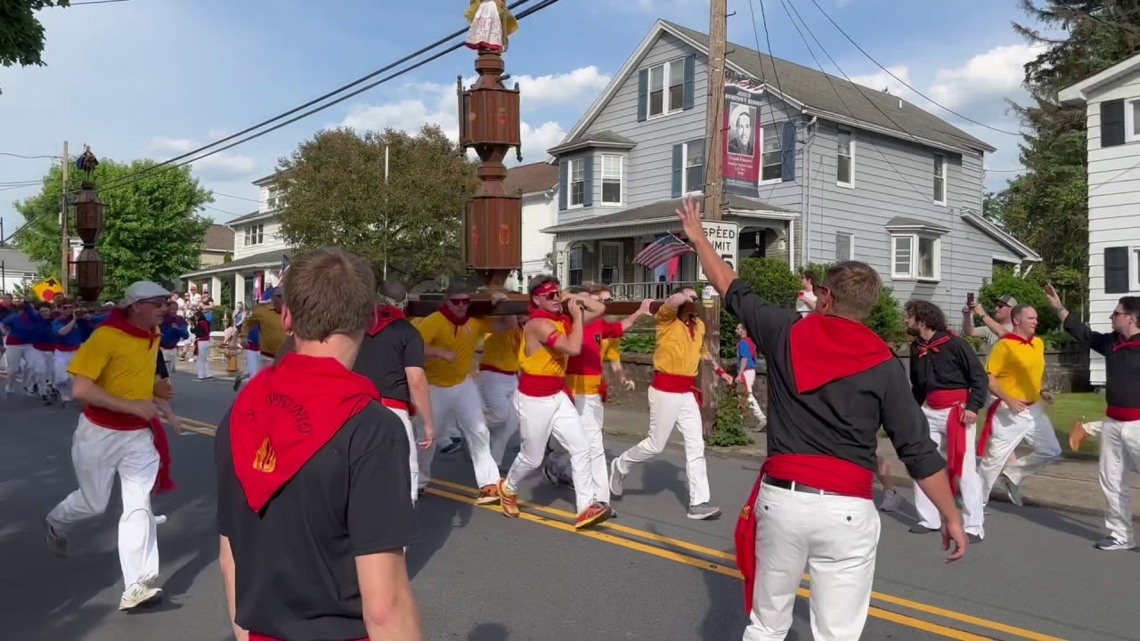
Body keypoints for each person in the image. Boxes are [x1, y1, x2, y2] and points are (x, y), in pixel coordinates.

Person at [672, 198, 964, 641]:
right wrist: (951, 517)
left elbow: (731, 285)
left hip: (783, 501)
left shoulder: (785, 330)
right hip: (847, 508)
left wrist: (698, 238)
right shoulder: (885, 364)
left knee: (767, 626)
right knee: (837, 634)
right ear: (868, 306)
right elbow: (918, 450)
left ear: (826, 297)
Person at [216, 248, 423, 641]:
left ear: (288, 317)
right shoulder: (372, 427)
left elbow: (231, 560)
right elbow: (385, 606)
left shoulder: (241, 411)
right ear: (372, 317)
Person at [44, 281, 179, 611]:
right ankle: (56, 522)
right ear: (136, 306)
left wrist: (162, 404)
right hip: (98, 434)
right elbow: (82, 389)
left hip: (137, 438)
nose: (165, 307)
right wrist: (134, 406)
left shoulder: (153, 335)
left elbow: (138, 377)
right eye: (157, 302)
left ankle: (136, 585)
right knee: (93, 504)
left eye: (166, 301)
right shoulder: (105, 337)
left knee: (138, 507)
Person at [609, 285, 732, 520]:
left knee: (696, 445)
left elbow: (703, 351)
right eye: (691, 298)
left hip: (687, 393)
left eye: (696, 298)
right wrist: (681, 297)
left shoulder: (700, 325)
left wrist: (720, 371)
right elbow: (672, 302)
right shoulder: (666, 320)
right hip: (664, 391)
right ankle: (621, 464)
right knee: (656, 445)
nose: (694, 302)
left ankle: (698, 503)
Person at [498, 276, 612, 529]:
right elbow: (572, 348)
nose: (555, 298)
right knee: (532, 457)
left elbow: (601, 308)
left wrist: (573, 297)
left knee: (581, 447)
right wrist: (578, 316)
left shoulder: (562, 319)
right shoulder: (538, 323)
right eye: (549, 295)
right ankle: (508, 487)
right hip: (533, 399)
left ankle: (585, 508)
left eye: (557, 293)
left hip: (557, 395)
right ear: (536, 299)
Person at [1048, 285, 1140, 550]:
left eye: (1116, 313)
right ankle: (1121, 535)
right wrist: (1058, 308)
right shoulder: (1112, 343)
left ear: (1131, 318)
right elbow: (1083, 333)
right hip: (1112, 424)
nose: (1112, 317)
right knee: (1111, 480)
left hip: (1138, 426)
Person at [415, 282, 514, 504]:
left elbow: (505, 325)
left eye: (465, 301)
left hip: (463, 384)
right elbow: (414, 345)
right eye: (456, 301)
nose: (461, 306)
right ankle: (419, 481)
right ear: (447, 302)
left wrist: (504, 303)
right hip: (435, 387)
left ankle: (488, 484)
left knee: (479, 430)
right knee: (428, 437)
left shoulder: (474, 321)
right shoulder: (434, 321)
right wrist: (440, 352)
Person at [904, 300, 988, 543]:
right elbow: (918, 385)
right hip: (928, 410)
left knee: (964, 468)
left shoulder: (955, 344)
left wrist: (973, 407)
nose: (906, 321)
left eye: (909, 316)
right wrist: (913, 411)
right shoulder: (916, 347)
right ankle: (927, 518)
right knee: (921, 462)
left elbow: (978, 377)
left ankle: (974, 526)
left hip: (957, 411)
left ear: (922, 319)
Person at [353, 280, 437, 502]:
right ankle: (401, 527)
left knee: (360, 469)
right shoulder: (408, 332)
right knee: (405, 471)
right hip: (393, 410)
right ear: (404, 303)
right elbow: (416, 381)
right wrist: (428, 423)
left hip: (357, 407)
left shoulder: (356, 327)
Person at [976, 303, 1062, 507]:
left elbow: (1036, 373)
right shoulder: (1003, 346)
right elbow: (989, 379)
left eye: (1036, 318)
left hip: (1034, 409)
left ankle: (1012, 475)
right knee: (995, 459)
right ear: (1017, 320)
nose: (1036, 322)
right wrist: (1008, 399)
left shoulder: (1038, 343)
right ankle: (976, 502)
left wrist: (1043, 390)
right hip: (1008, 411)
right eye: (1031, 318)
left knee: (1051, 450)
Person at [734, 324, 768, 430]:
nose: (736, 330)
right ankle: (739, 419)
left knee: (747, 396)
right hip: (750, 371)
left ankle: (761, 418)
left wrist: (740, 373)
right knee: (742, 396)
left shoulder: (743, 343)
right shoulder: (749, 342)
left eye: (738, 329)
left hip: (746, 372)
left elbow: (744, 359)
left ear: (743, 331)